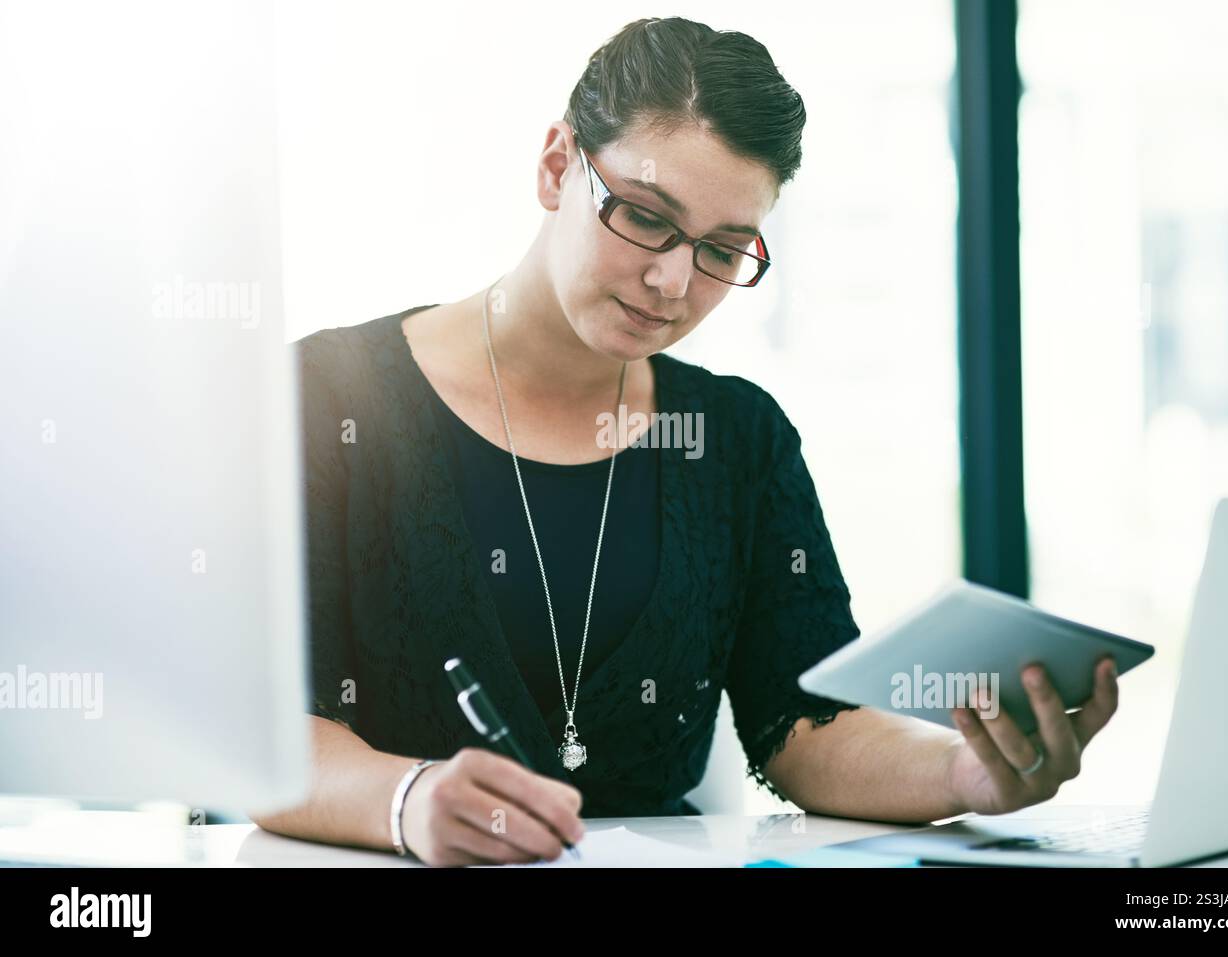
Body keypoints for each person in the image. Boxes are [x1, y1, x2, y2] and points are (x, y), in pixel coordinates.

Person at [250, 16, 1120, 867]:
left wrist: (963, 770)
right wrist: (409, 801)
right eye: (643, 216)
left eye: (723, 249)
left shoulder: (737, 441)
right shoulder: (327, 399)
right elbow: (255, 723)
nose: (672, 280)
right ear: (558, 166)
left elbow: (802, 724)